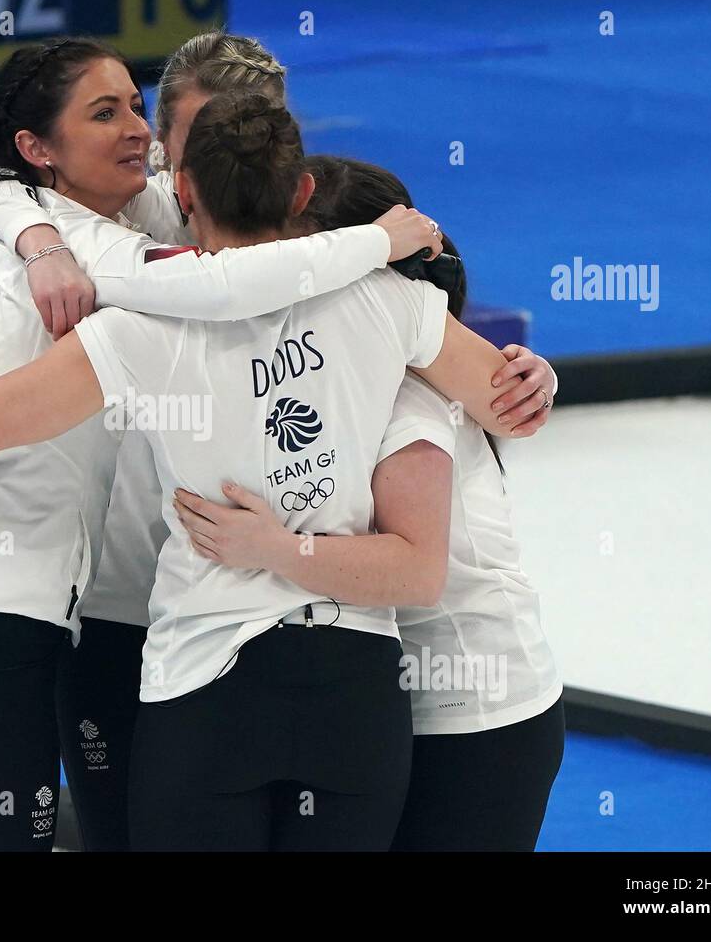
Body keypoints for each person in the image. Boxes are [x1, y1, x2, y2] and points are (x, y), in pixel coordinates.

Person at [0, 29, 556, 851]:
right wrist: (40, 241)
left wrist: (529, 380)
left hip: (260, 644)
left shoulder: (198, 284)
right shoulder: (127, 225)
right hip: (135, 610)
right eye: (193, 126)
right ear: (176, 157)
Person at [0, 39, 441, 852]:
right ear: (40, 149)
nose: (136, 131)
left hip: (18, 610)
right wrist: (381, 246)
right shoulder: (104, 250)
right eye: (108, 114)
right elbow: (238, 278)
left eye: (133, 106)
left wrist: (23, 245)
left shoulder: (101, 213)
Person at [173, 155, 565, 851]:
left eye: (307, 254)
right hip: (417, 700)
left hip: (473, 718)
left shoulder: (404, 397)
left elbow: (418, 573)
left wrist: (268, 548)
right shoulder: (369, 366)